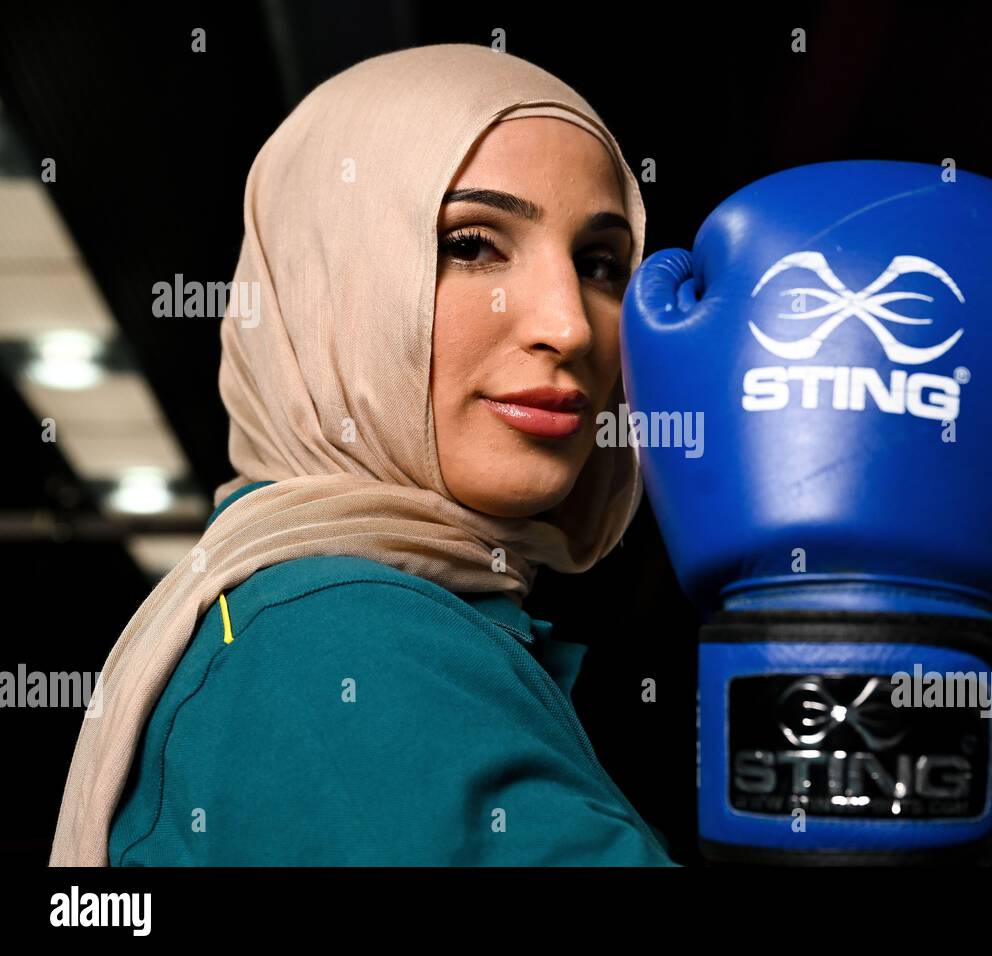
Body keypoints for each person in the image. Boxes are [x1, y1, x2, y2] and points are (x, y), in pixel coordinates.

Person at [48, 44, 677, 867]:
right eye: (472, 244)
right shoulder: (337, 639)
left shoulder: (306, 620)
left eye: (599, 263)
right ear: (327, 288)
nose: (570, 326)